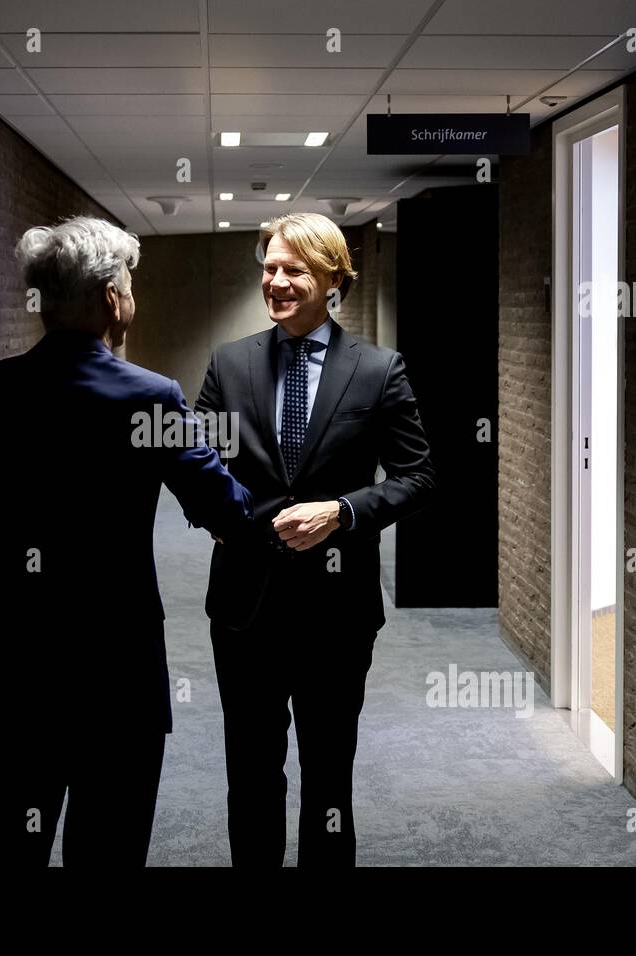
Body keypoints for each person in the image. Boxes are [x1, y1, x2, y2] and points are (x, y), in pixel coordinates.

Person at [0, 216, 253, 866]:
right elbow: (223, 511)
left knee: (9, 851)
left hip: (13, 675)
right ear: (110, 298)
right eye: (128, 283)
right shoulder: (152, 398)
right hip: (119, 681)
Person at [195, 212, 436, 866]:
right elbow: (197, 461)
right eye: (268, 268)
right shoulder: (229, 364)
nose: (274, 282)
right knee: (251, 772)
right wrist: (221, 516)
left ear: (332, 279)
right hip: (245, 606)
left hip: (338, 610)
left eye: (292, 270)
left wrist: (343, 511)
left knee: (329, 775)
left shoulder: (379, 370)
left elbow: (419, 476)